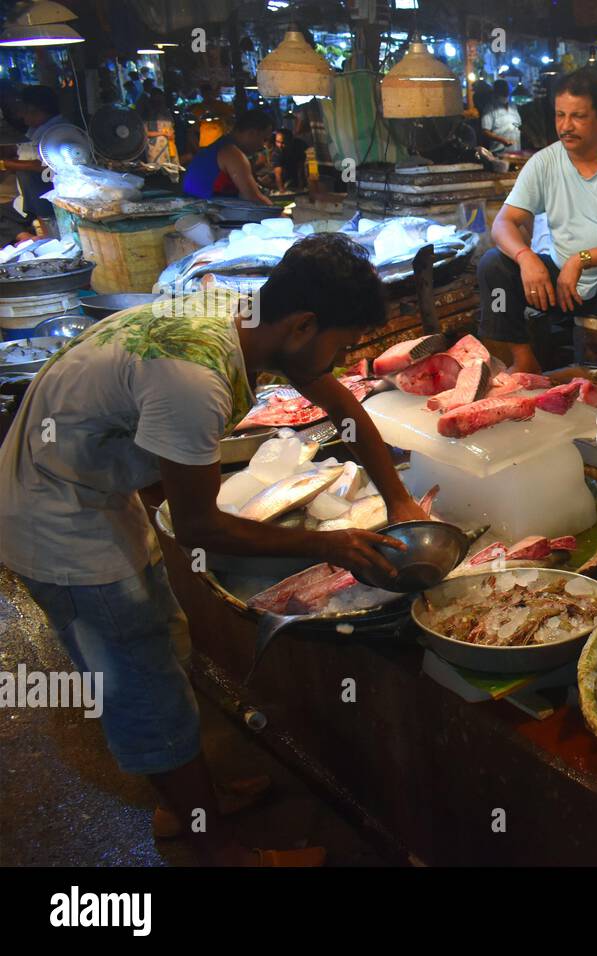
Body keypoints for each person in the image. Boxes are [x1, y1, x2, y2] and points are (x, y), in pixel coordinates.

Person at [0, 234, 430, 866]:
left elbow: (336, 402)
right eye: (337, 345)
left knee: (161, 641)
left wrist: (398, 498)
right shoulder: (194, 380)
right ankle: (219, 850)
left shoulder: (243, 311)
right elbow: (200, 528)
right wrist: (330, 546)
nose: (334, 362)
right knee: (139, 679)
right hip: (55, 514)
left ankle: (188, 799)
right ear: (303, 323)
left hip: (85, 482)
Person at [477, 67, 597, 399]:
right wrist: (526, 257)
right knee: (494, 263)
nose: (565, 126)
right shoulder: (544, 162)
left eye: (578, 116)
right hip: (562, 288)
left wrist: (583, 259)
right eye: (560, 115)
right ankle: (525, 361)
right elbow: (503, 223)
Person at [0, 85, 79, 232]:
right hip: (30, 201)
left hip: (50, 201)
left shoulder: (60, 131)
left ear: (33, 109)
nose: (21, 116)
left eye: (23, 110)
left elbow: (47, 166)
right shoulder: (34, 129)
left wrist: (7, 164)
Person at [182, 108, 275, 204]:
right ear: (252, 133)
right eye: (264, 139)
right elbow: (253, 197)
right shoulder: (231, 153)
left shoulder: (219, 146)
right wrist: (283, 216)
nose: (262, 146)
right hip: (203, 214)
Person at [481, 79, 523, 153]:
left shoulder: (513, 106)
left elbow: (518, 125)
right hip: (499, 152)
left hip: (516, 150)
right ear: (496, 92)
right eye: (502, 90)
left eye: (506, 90)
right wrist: (502, 140)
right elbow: (485, 132)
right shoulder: (490, 108)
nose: (505, 92)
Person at [270, 127, 308, 191]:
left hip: (305, 171)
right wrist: (281, 190)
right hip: (287, 174)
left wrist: (301, 187)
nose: (280, 145)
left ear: (290, 140)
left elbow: (301, 168)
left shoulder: (300, 145)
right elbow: (278, 172)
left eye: (283, 142)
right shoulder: (277, 152)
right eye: (277, 142)